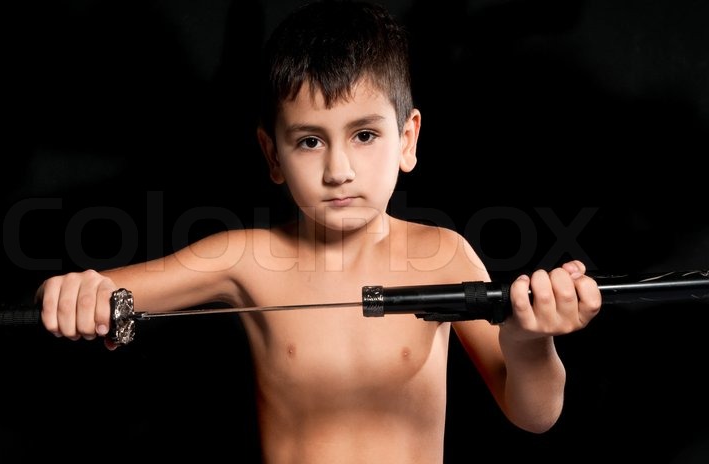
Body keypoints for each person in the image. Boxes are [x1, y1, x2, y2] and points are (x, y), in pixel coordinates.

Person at [36, 1, 602, 462]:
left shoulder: (442, 255)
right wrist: (71, 293)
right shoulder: (246, 258)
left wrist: (531, 342)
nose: (338, 169)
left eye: (364, 135)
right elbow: (93, 291)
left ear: (407, 140)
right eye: (310, 141)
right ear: (272, 154)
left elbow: (533, 414)